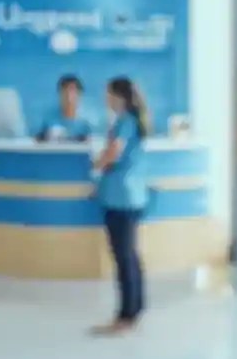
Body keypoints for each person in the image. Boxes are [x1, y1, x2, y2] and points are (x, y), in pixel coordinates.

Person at [89, 77, 151, 336]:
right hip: (132, 196)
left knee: (123, 257)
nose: (106, 99)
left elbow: (114, 150)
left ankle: (125, 316)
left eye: (108, 94)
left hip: (120, 197)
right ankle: (135, 309)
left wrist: (96, 167)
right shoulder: (134, 120)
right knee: (130, 256)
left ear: (118, 96)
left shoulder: (125, 121)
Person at [35, 74, 94, 142]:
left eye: (72, 91)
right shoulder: (49, 121)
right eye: (65, 91)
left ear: (79, 94)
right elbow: (38, 141)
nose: (68, 96)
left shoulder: (85, 125)